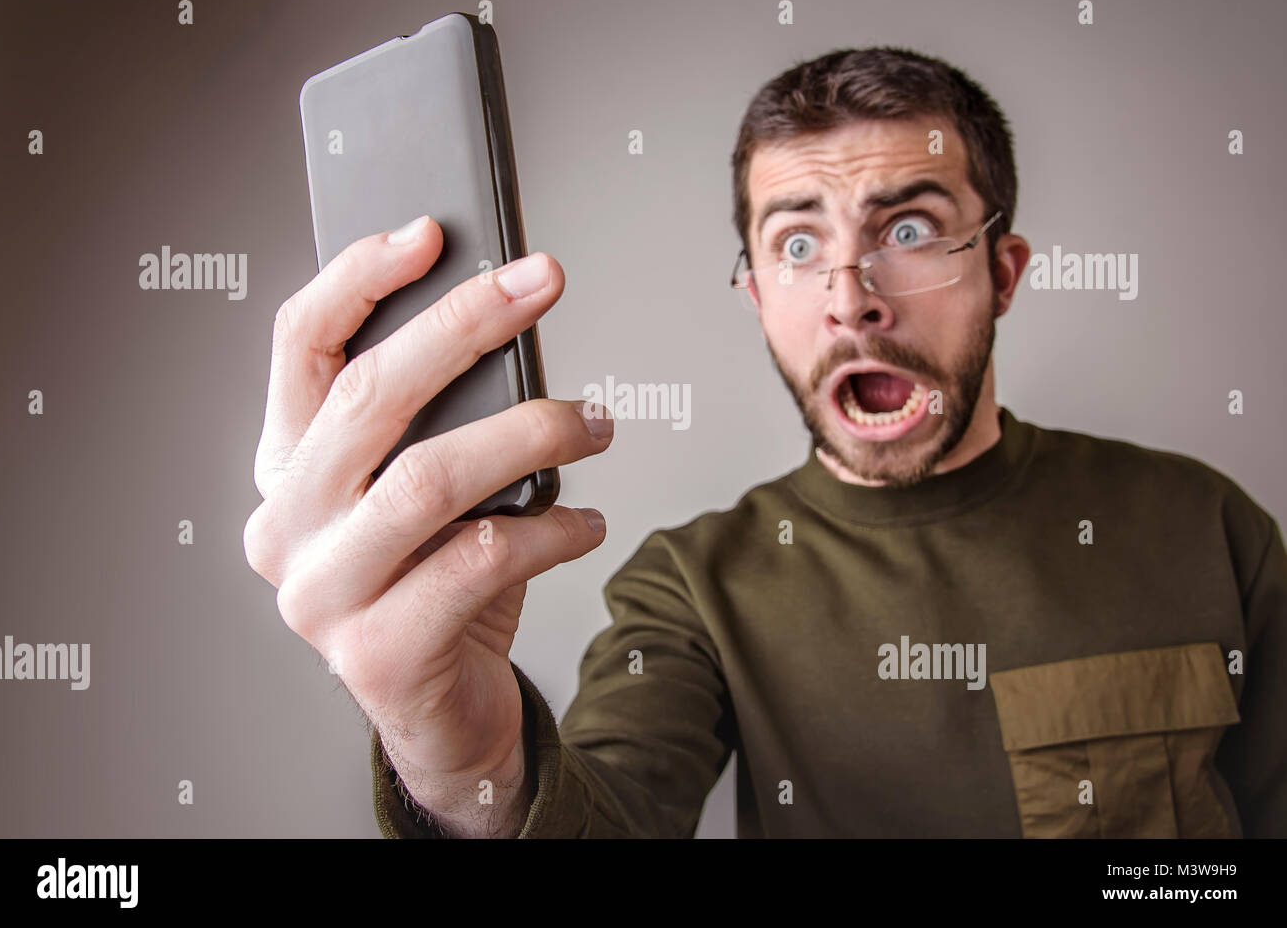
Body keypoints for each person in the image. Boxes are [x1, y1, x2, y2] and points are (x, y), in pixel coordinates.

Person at [243, 46, 1286, 838]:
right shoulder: (690, 591)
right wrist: (463, 758)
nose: (850, 299)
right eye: (796, 245)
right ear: (753, 296)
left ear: (1002, 272)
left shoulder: (1207, 525)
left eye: (909, 230)